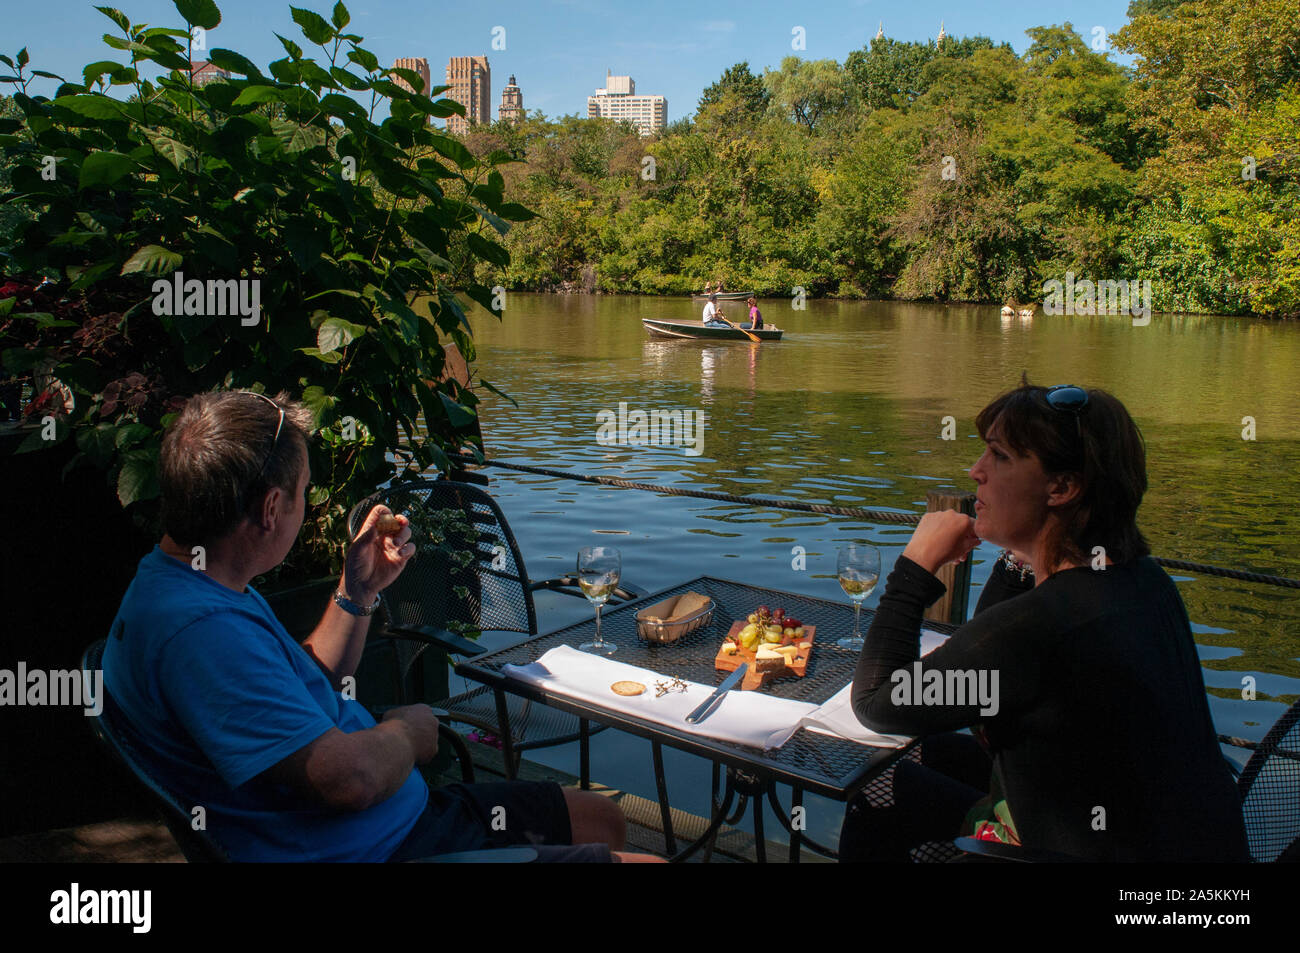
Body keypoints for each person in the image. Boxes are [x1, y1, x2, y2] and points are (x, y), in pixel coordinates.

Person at [102, 389, 662, 863]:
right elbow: (351, 781)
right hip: (381, 846)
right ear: (272, 508)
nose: (302, 508)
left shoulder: (187, 585)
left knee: (600, 817)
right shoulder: (202, 632)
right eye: (300, 495)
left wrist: (357, 592)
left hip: (397, 819)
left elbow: (305, 684)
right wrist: (405, 733)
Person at [844, 383, 1249, 862]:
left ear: (1061, 487)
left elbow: (876, 703)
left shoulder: (1040, 627)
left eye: (998, 457)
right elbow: (996, 649)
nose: (976, 472)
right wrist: (1025, 549)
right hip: (1177, 851)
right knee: (924, 754)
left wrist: (914, 566)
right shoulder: (1144, 582)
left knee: (874, 787)